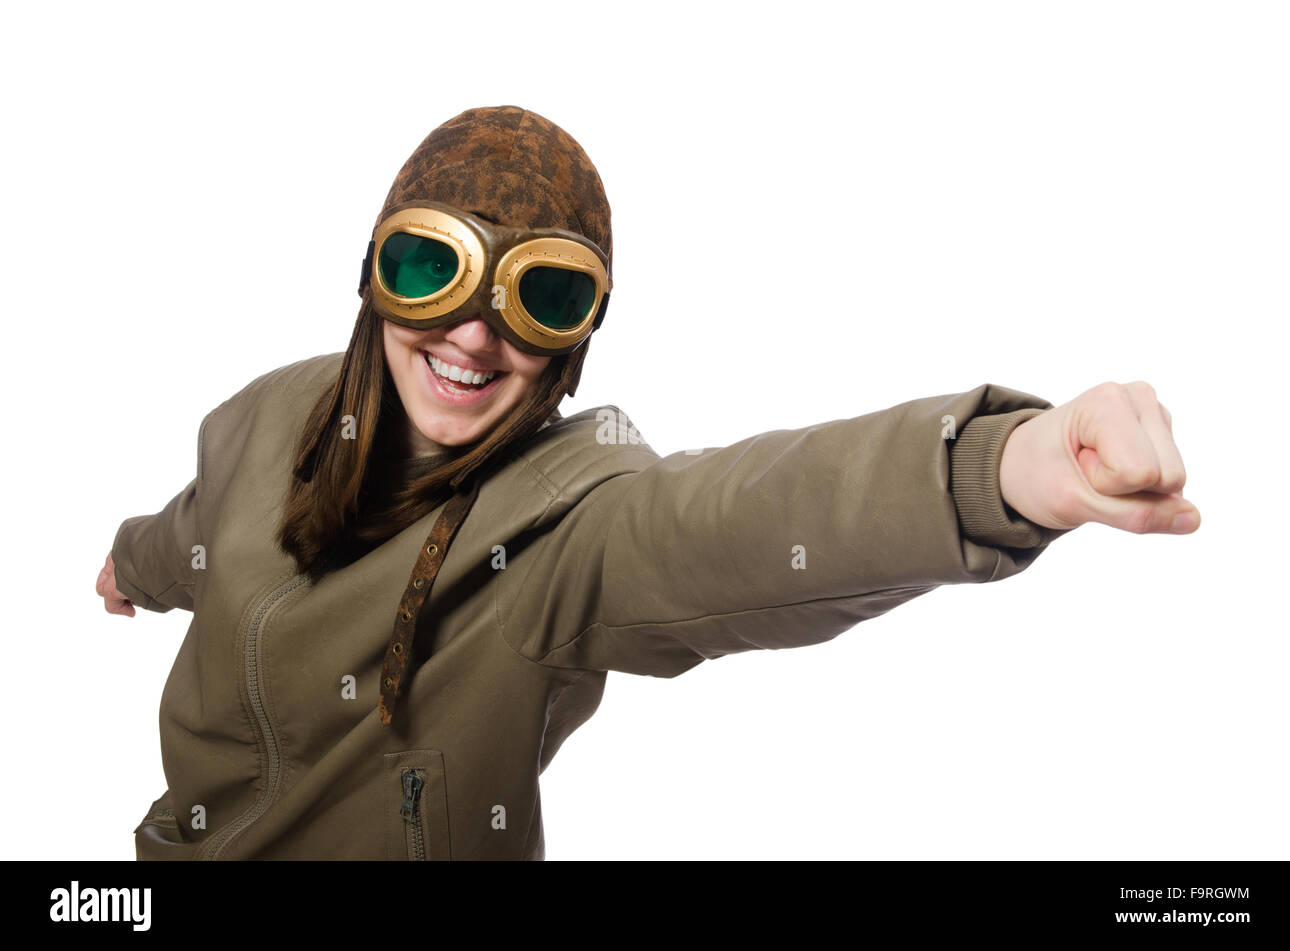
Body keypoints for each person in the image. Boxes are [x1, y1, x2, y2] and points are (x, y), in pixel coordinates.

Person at [96, 105, 1199, 861]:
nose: (472, 334)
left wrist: (995, 466)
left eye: (541, 295)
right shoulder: (270, 413)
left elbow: (734, 523)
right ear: (377, 276)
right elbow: (207, 522)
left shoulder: (563, 534)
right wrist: (131, 564)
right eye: (433, 267)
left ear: (576, 339)